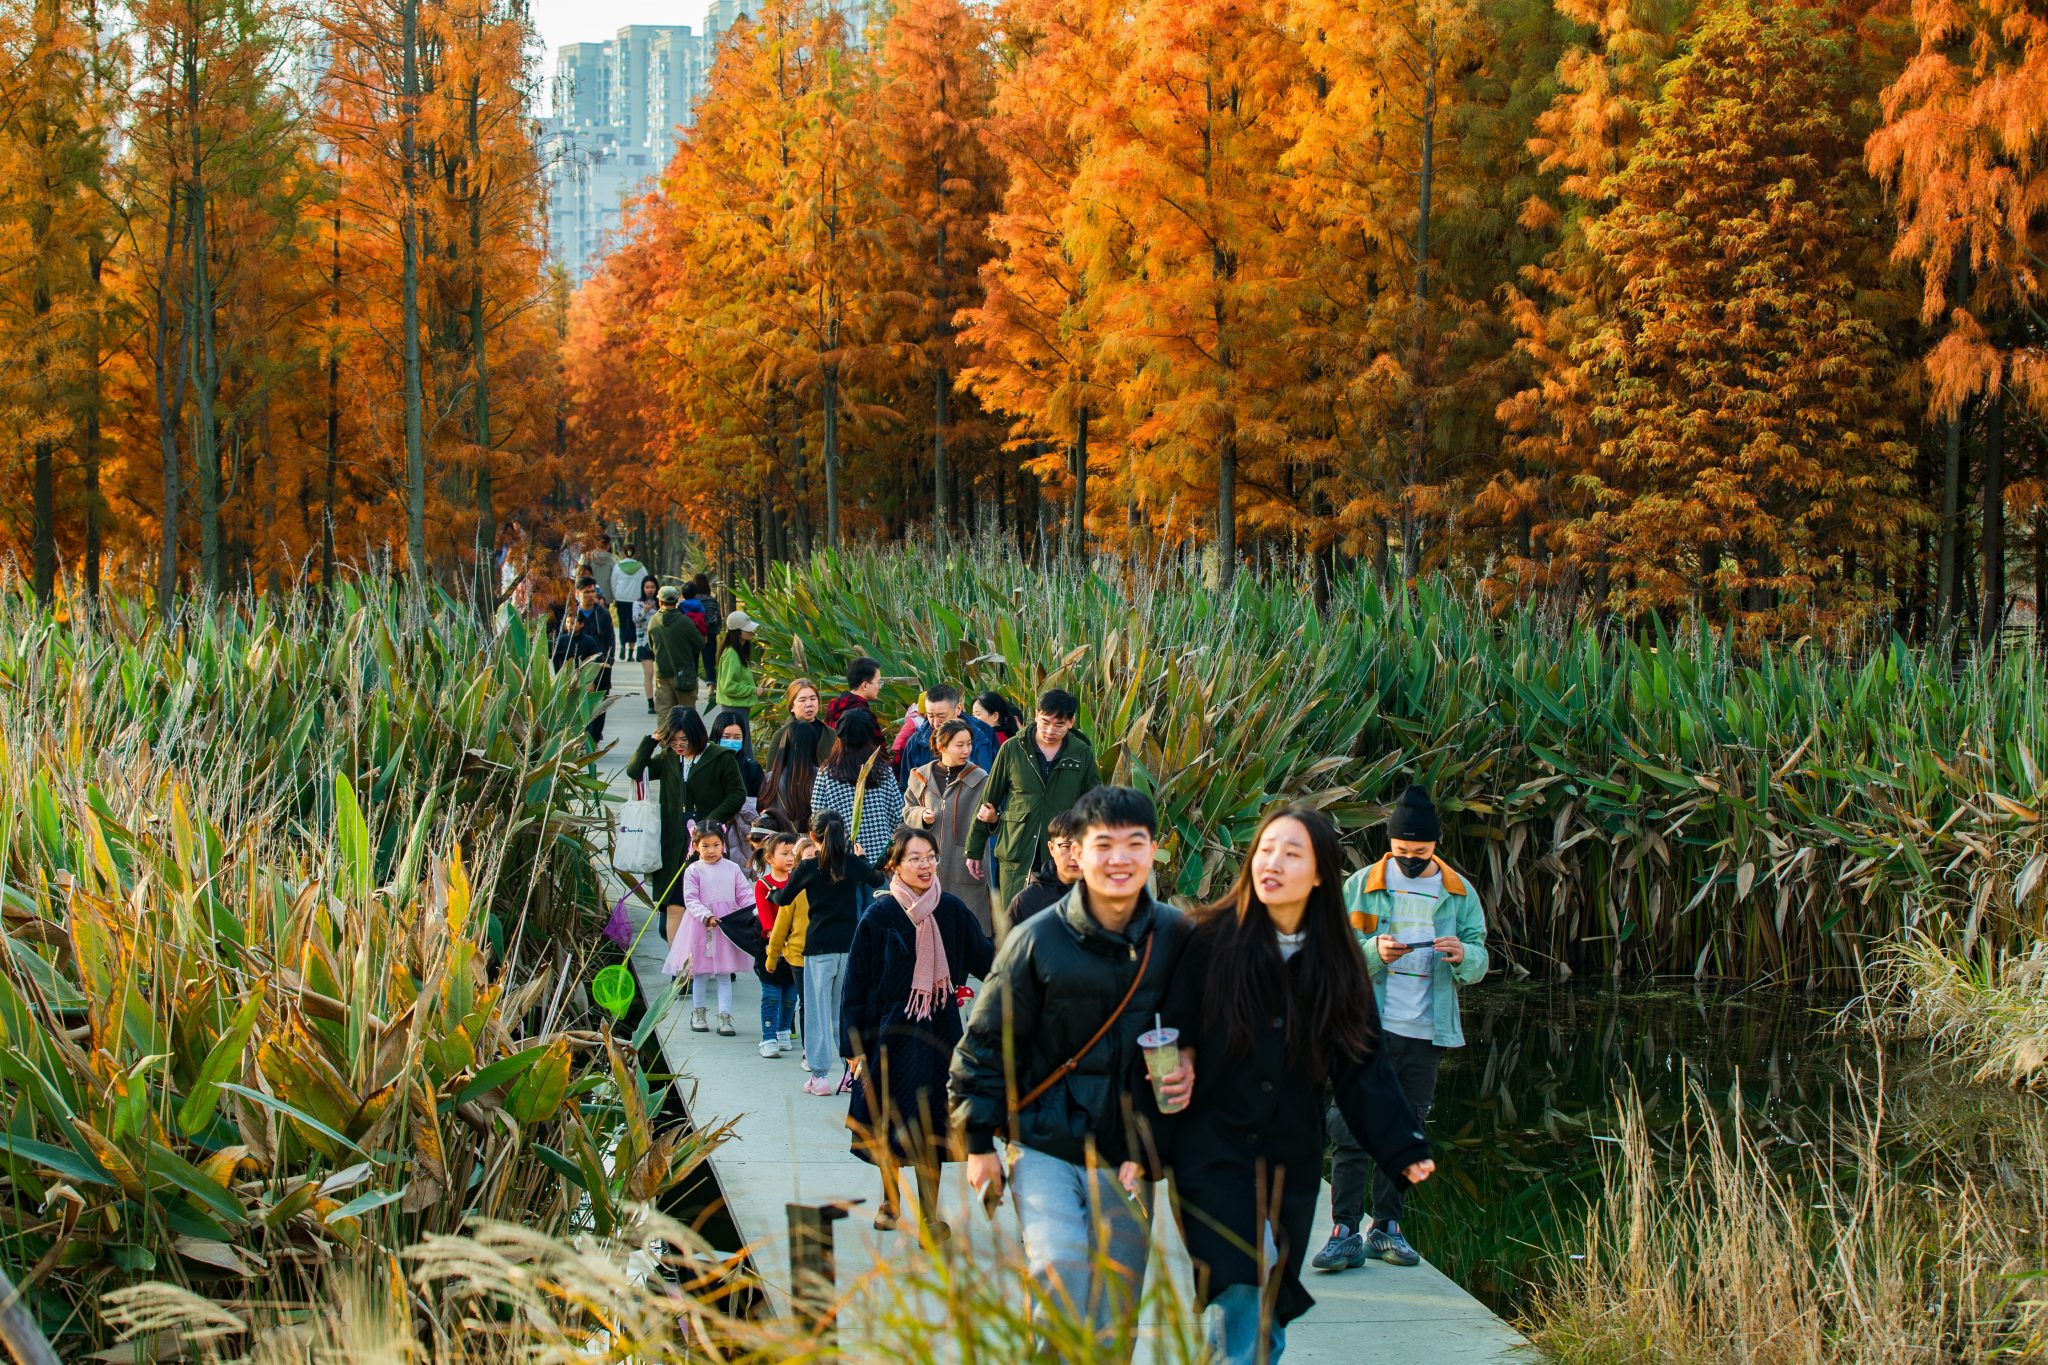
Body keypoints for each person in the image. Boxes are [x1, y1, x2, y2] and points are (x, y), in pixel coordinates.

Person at [1163, 807, 1435, 1364]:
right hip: (1211, 1147)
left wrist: (1401, 1146)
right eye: (1265, 849)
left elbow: (1363, 1068)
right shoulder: (1210, 939)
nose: (1272, 862)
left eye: (1291, 853)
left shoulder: (1336, 961)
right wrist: (1174, 1065)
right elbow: (1167, 1024)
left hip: (1290, 1152)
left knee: (1270, 1295)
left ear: (1318, 874)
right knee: (1243, 1278)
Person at [950, 786, 1191, 1360]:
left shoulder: (1177, 937)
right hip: (1044, 1140)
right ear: (1077, 852)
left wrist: (1188, 1064)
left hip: (1130, 1151)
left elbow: (1210, 1026)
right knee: (1059, 1269)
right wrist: (979, 1140)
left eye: (1134, 843)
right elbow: (983, 1045)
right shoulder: (1038, 938)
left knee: (1114, 1304)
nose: (1119, 857)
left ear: (1153, 851)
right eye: (1103, 843)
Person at [1312, 784, 1490, 1273]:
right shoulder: (1361, 885)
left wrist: (1464, 957)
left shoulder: (1459, 892)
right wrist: (1374, 953)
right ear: (1388, 845)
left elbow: (1480, 955)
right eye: (1401, 852)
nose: (1410, 859)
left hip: (1426, 1029)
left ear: (1436, 844)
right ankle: (1343, 1230)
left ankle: (1386, 1229)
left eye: (1420, 852)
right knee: (1349, 1127)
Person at [840, 826, 997, 1238]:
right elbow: (855, 984)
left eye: (930, 857)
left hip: (939, 1036)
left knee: (933, 1126)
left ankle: (929, 1215)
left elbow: (988, 962)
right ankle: (891, 1202)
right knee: (890, 1124)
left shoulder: (953, 910)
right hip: (887, 1037)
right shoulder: (879, 915)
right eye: (915, 858)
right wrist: (852, 1047)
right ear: (895, 864)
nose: (925, 865)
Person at [772, 812, 885, 1095]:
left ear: (813, 836)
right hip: (849, 946)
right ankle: (851, 1073)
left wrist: (771, 894)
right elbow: (876, 878)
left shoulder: (809, 866)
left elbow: (783, 898)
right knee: (845, 1010)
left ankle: (820, 1076)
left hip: (818, 947)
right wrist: (860, 856)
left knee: (817, 1012)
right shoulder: (852, 864)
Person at [966, 688, 1099, 928]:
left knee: (1060, 924)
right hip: (1017, 850)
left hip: (1062, 852)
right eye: (1045, 722)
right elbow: (988, 800)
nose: (1050, 731)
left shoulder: (1082, 754)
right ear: (1036, 715)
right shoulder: (1013, 749)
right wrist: (974, 849)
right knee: (1013, 925)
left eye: (1059, 725)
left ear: (1070, 722)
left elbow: (1095, 804)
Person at [627, 708, 747, 944]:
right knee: (674, 905)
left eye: (684, 739)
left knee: (707, 904)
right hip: (673, 842)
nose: (679, 745)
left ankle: (713, 962)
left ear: (696, 735)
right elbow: (635, 771)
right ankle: (680, 972)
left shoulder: (720, 757)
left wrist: (711, 822)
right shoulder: (669, 758)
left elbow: (737, 794)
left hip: (706, 842)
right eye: (673, 740)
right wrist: (651, 741)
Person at [904, 718, 993, 937]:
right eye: (959, 745)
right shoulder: (920, 776)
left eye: (969, 744)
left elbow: (995, 821)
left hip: (966, 865)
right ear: (942, 746)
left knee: (965, 931)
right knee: (930, 934)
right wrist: (920, 816)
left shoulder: (981, 779)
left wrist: (992, 819)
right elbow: (907, 811)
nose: (966, 750)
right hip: (928, 867)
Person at [668, 823, 754, 1036]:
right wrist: (706, 916)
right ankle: (698, 1013)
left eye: (716, 844)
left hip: (726, 927)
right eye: (705, 846)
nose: (711, 850)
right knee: (701, 973)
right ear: (696, 846)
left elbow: (744, 894)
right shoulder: (693, 870)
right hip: (700, 928)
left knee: (724, 973)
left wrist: (751, 913)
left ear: (723, 845)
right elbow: (691, 899)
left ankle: (724, 1017)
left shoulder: (732, 869)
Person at [811, 708, 905, 865]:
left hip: (841, 856)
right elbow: (897, 815)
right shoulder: (882, 770)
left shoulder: (827, 773)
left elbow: (818, 815)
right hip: (881, 857)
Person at [754, 831, 803, 1058]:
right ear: (770, 858)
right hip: (771, 947)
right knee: (771, 994)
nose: (790, 857)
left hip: (795, 948)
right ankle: (768, 1037)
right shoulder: (763, 885)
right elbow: (766, 918)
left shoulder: (799, 881)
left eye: (793, 853)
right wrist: (776, 939)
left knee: (791, 995)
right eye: (784, 853)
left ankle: (784, 1030)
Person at [892, 683, 1000, 784]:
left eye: (941, 716)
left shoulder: (983, 734)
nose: (935, 723)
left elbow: (999, 779)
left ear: (958, 709)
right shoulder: (916, 743)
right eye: (930, 716)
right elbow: (907, 787)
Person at [762, 679, 830, 831]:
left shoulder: (829, 734)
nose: (809, 704)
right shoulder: (782, 735)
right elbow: (772, 777)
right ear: (791, 706)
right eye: (802, 700)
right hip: (789, 814)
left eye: (813, 699)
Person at [555, 579, 615, 744]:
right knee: (575, 704)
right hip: (576, 669)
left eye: (592, 591)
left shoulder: (602, 613)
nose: (590, 595)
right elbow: (561, 642)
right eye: (586, 592)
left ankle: (594, 738)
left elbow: (610, 637)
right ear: (578, 593)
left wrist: (609, 659)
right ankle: (578, 738)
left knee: (599, 702)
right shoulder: (573, 614)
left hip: (600, 666)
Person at [1005, 809, 1083, 928]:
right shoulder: (1027, 901)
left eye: (1082, 846)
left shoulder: (1107, 894)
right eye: (1066, 846)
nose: (1074, 855)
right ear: (1051, 848)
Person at [647, 586, 707, 717]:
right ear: (676, 601)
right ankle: (684, 738)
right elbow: (700, 644)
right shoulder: (685, 621)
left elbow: (652, 647)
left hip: (662, 674)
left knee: (664, 714)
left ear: (660, 602)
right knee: (686, 715)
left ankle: (665, 737)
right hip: (684, 675)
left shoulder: (653, 621)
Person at [713, 708, 763, 863]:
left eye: (737, 737)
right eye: (726, 737)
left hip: (742, 842)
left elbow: (759, 804)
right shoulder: (707, 765)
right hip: (711, 835)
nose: (732, 741)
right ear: (716, 736)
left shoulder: (752, 768)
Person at [716, 609, 762, 734]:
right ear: (737, 631)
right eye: (747, 628)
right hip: (734, 708)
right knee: (742, 749)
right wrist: (752, 690)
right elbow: (729, 687)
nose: (751, 631)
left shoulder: (737, 651)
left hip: (738, 706)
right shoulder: (732, 654)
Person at [631, 577, 662, 714]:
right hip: (644, 642)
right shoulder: (638, 603)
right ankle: (650, 702)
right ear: (643, 588)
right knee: (649, 673)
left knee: (661, 674)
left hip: (660, 641)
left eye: (652, 587)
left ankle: (659, 699)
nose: (649, 590)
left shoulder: (661, 603)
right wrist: (644, 610)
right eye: (647, 587)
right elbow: (635, 620)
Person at [826, 656, 883, 729]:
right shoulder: (862, 715)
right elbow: (873, 740)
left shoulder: (834, 706)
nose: (879, 687)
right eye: (878, 682)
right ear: (865, 685)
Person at [585, 534, 619, 600]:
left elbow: (580, 572)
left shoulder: (588, 556)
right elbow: (616, 577)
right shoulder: (612, 559)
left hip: (590, 591)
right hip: (606, 593)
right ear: (608, 546)